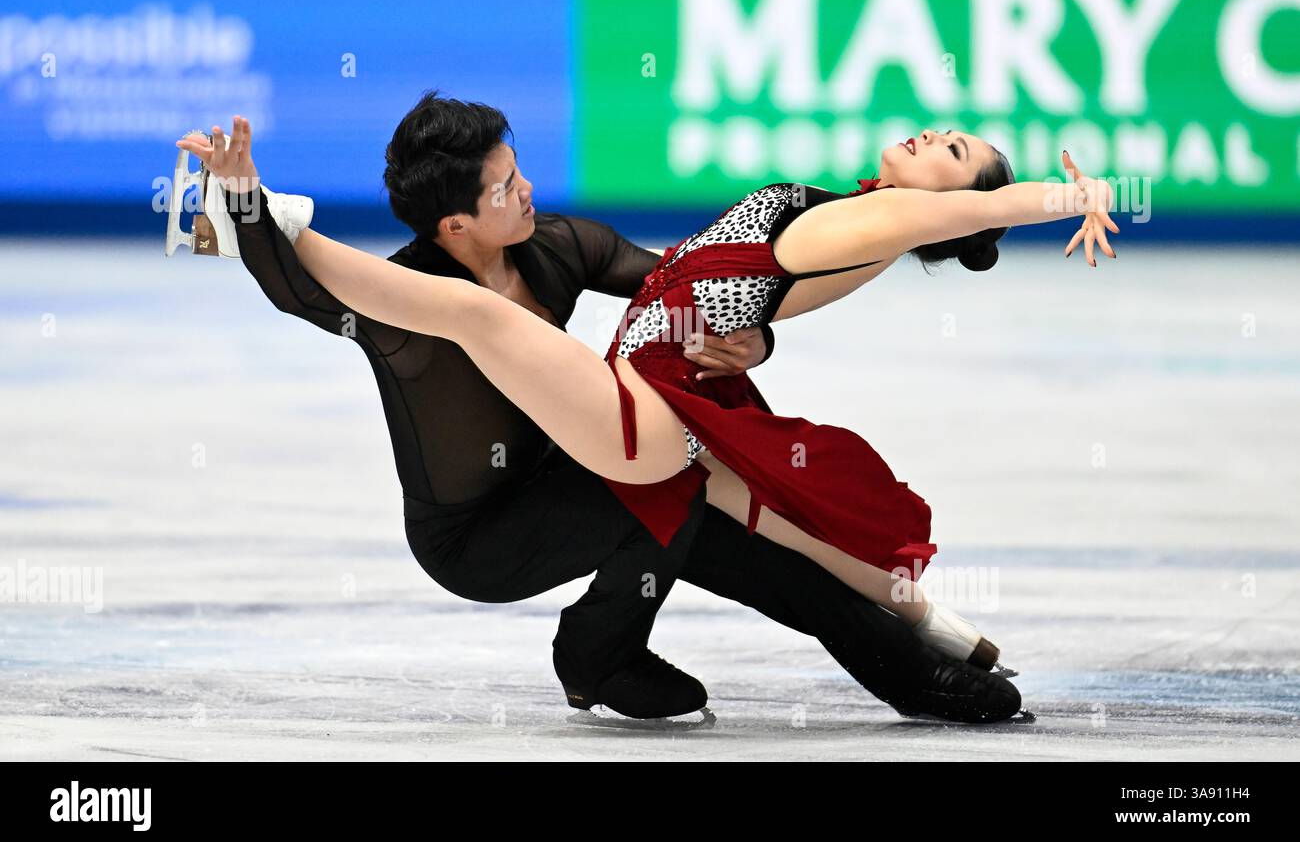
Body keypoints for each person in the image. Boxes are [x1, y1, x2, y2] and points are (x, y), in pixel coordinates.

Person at [171, 95, 1027, 723]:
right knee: (681, 485)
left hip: (573, 476)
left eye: (519, 171)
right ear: (456, 224)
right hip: (478, 538)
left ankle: (908, 666)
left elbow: (699, 283)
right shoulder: (415, 299)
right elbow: (299, 290)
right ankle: (596, 657)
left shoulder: (555, 246)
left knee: (724, 510)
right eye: (505, 187)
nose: (528, 190)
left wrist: (756, 345)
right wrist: (244, 205)